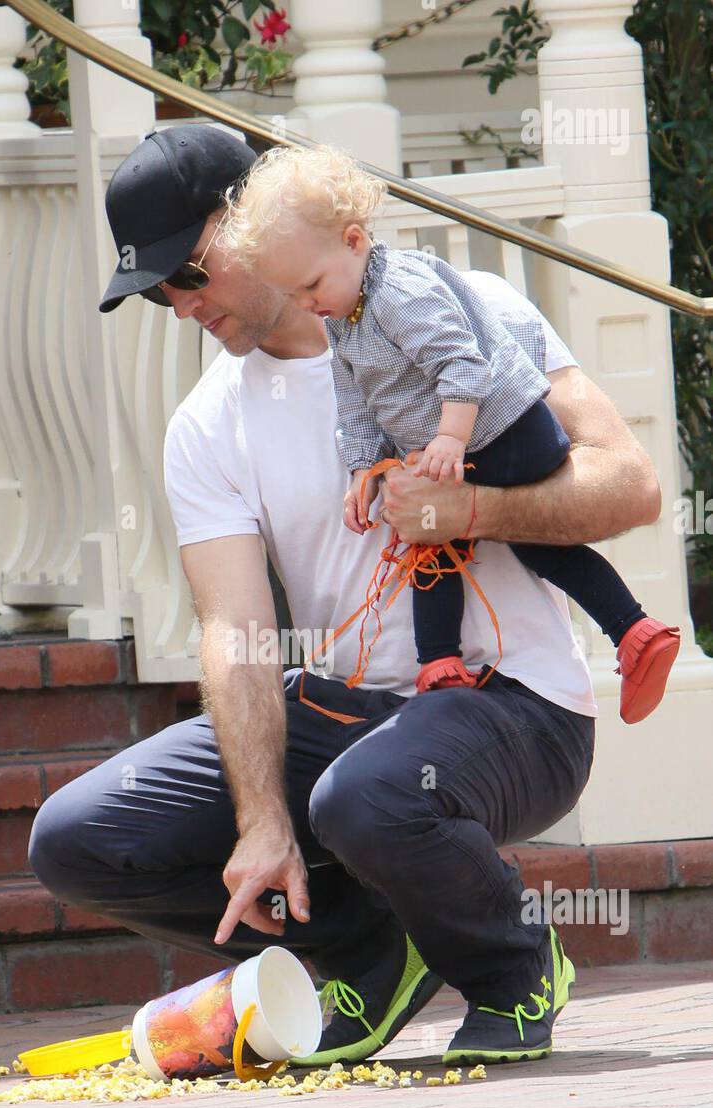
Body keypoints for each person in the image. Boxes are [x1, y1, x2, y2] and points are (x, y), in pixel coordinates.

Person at [27, 125, 662, 1067]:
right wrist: (259, 821)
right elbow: (236, 629)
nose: (175, 303)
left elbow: (632, 485)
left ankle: (514, 971)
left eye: (187, 273)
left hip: (511, 705)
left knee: (363, 798)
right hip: (337, 711)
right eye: (156, 290)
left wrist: (469, 506)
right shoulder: (208, 424)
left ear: (246, 225)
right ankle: (364, 950)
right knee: (80, 837)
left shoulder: (466, 312)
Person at [218, 144, 680, 721]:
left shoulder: (398, 293)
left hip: (506, 429)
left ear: (354, 241)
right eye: (292, 296)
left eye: (311, 285)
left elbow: (462, 364)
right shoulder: (343, 316)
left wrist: (449, 442)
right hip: (471, 441)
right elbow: (355, 402)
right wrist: (362, 469)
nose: (307, 304)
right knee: (446, 533)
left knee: (460, 534)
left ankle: (451, 662)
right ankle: (622, 632)